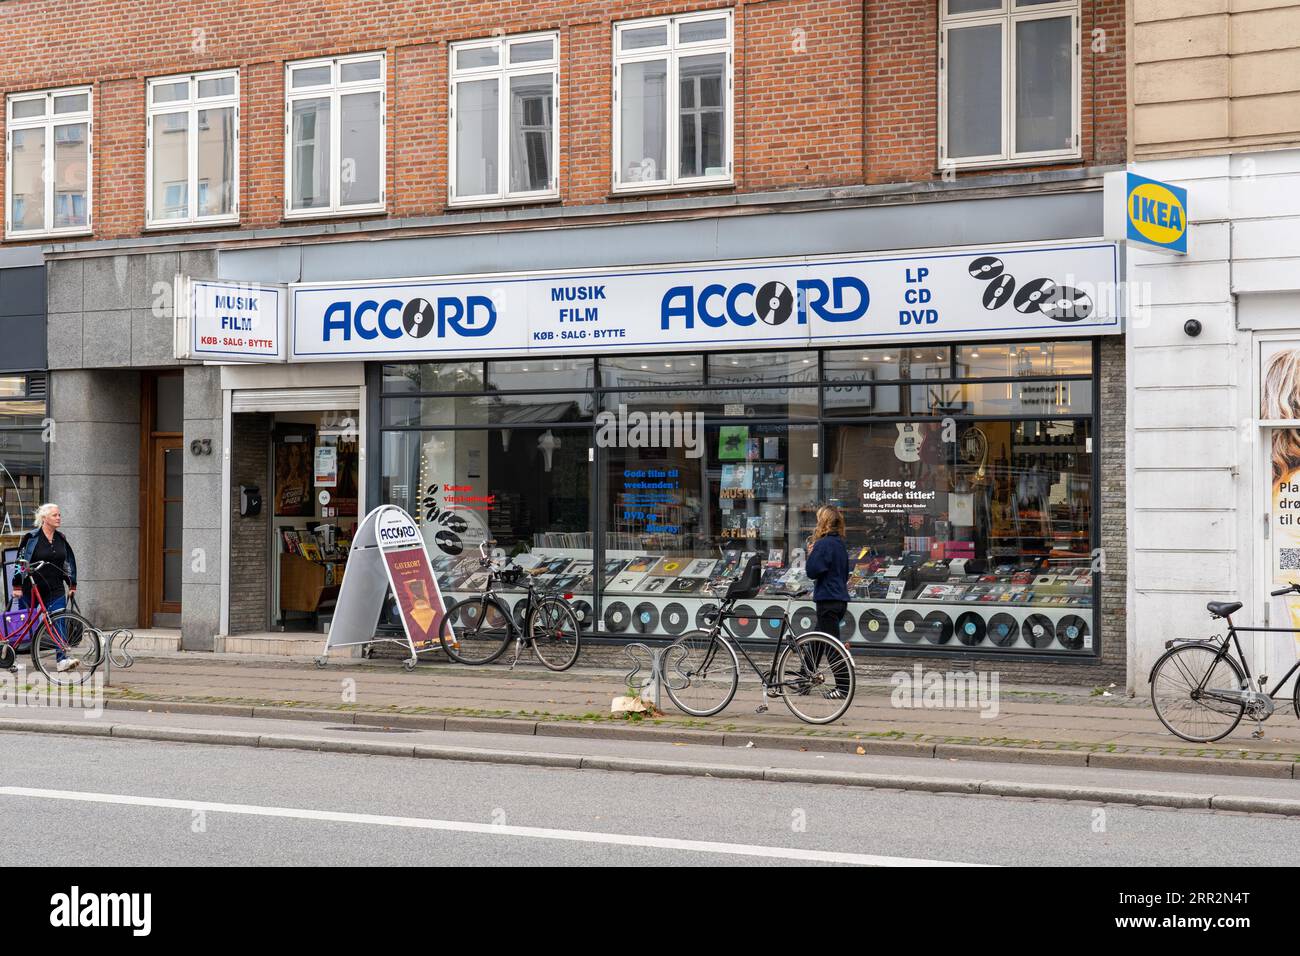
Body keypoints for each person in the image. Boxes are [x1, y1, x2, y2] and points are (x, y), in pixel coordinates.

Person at [12, 503, 78, 671]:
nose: (59, 518)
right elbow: (20, 562)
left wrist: (72, 584)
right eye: (55, 515)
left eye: (59, 514)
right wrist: (17, 585)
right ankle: (11, 656)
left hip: (55, 588)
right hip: (31, 589)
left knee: (59, 621)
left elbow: (68, 562)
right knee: (25, 625)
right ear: (44, 518)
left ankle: (62, 659)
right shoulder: (31, 538)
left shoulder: (61, 538)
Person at [804, 504, 852, 697]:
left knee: (832, 646)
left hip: (827, 599)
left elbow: (812, 571)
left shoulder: (823, 544)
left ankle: (843, 687)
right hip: (839, 599)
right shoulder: (840, 543)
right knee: (817, 642)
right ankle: (804, 678)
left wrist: (811, 554)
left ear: (822, 521)